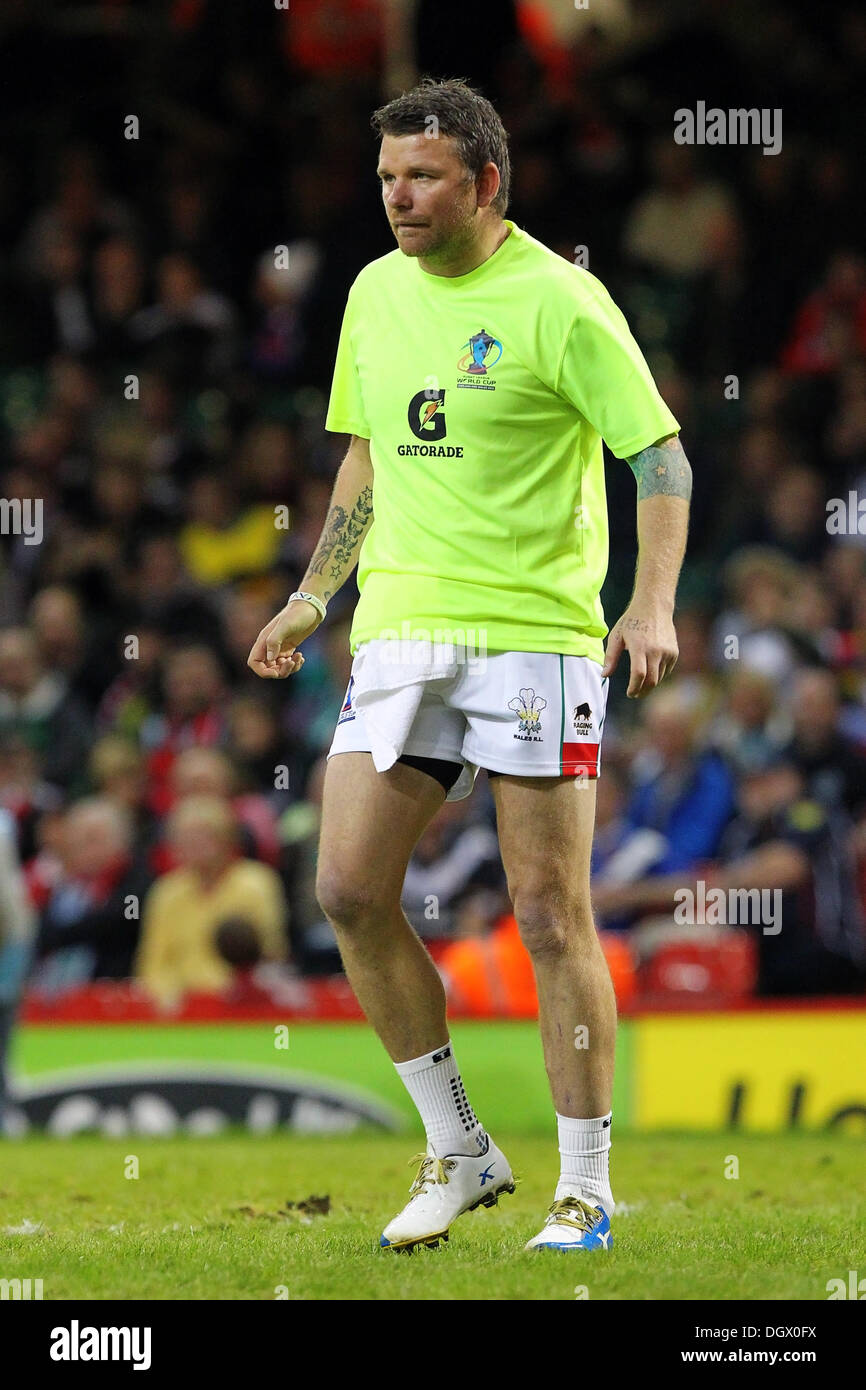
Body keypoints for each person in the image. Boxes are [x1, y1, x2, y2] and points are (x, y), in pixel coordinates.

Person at [248, 79, 690, 1253]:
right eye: (387, 176)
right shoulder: (374, 293)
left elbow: (661, 461)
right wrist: (311, 592)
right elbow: (363, 460)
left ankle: (586, 1188)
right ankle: (460, 1148)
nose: (398, 196)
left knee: (549, 915)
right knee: (345, 887)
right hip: (399, 630)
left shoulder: (561, 301)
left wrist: (647, 605)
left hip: (533, 635)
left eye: (423, 176)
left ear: (485, 182)